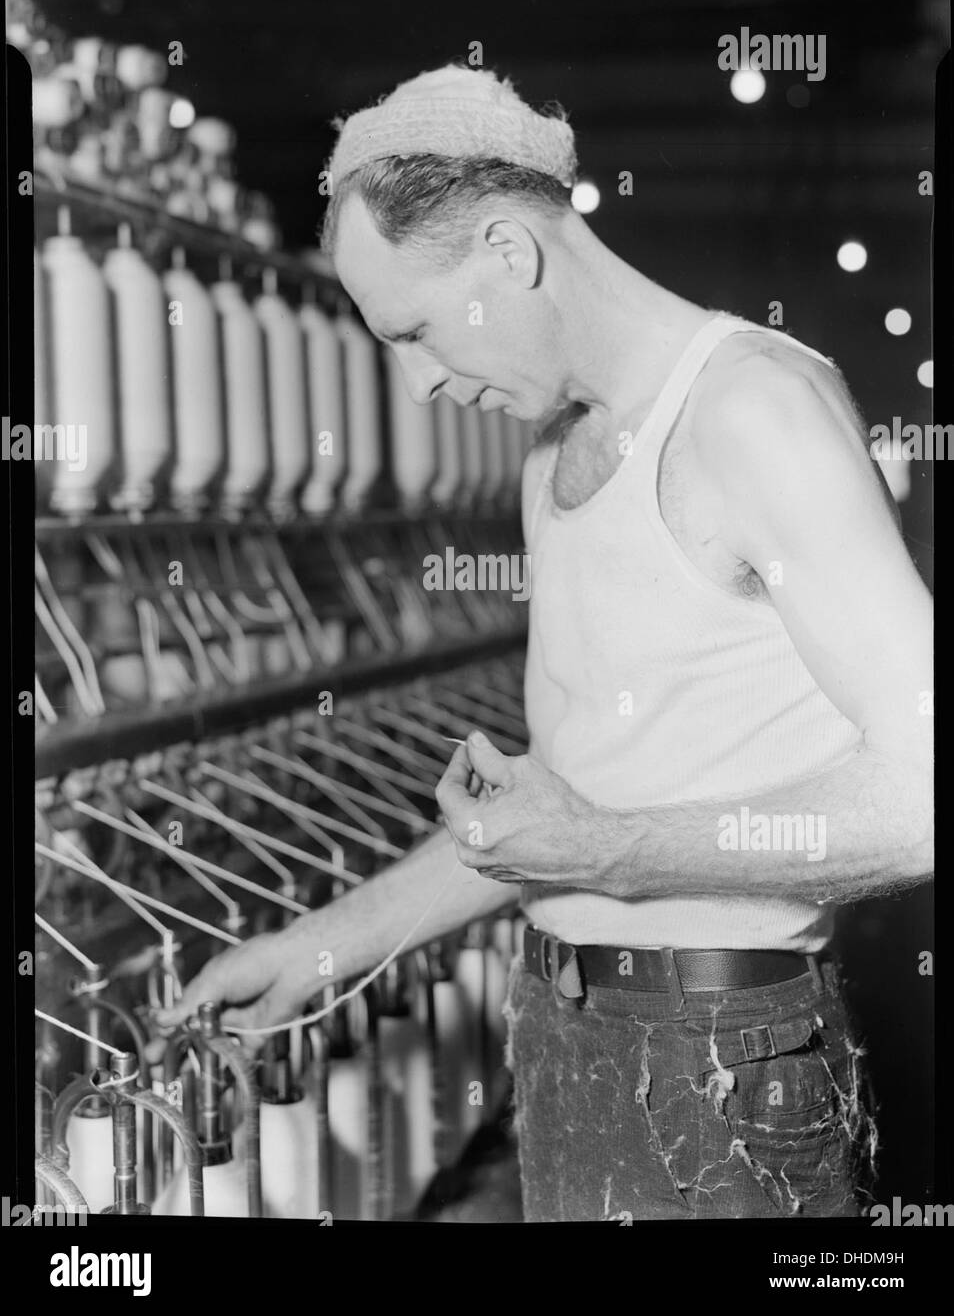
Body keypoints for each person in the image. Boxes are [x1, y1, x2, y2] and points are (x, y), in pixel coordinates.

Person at [157, 64, 933, 1220]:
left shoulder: (749, 410)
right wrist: (319, 949)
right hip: (564, 1035)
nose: (418, 383)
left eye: (415, 332)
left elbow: (924, 794)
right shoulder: (549, 464)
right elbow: (555, 826)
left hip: (721, 1065)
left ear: (510, 253)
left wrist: (611, 849)